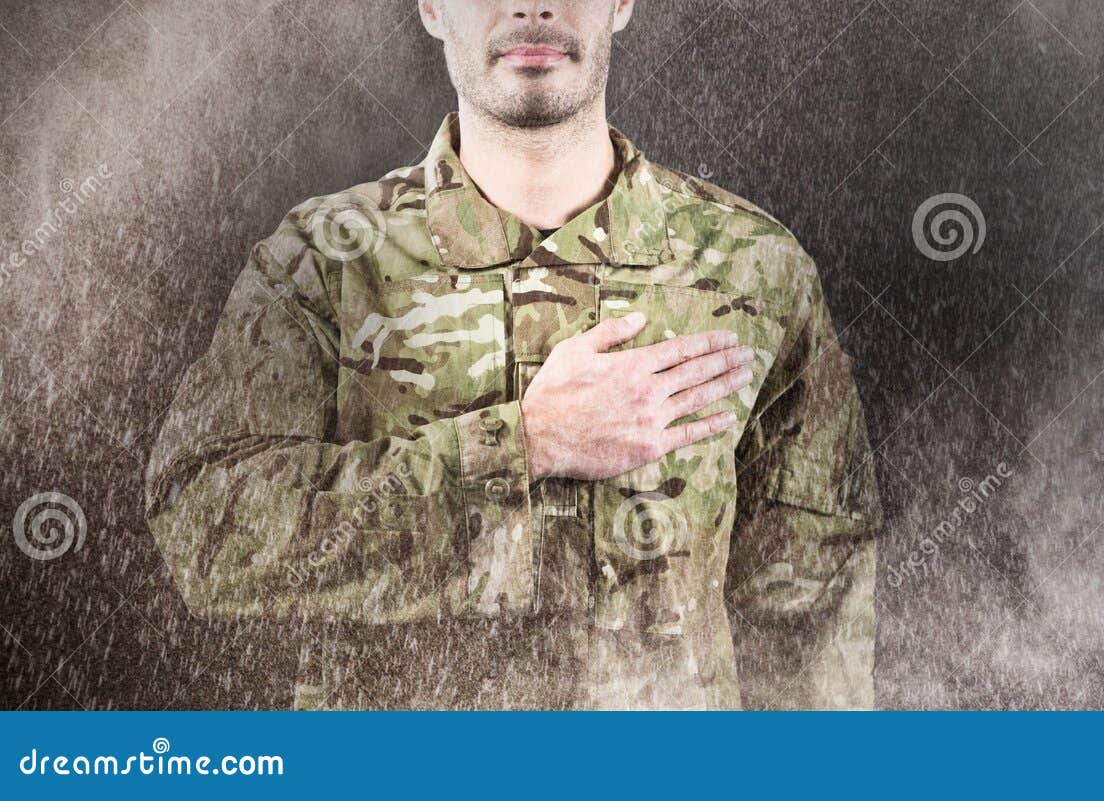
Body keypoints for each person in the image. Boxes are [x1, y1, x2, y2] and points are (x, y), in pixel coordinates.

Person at [144, 0, 880, 710]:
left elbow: (811, 610)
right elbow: (203, 527)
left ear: (622, 1)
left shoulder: (752, 266)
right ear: (432, 7)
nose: (533, 7)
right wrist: (522, 444)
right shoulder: (325, 261)